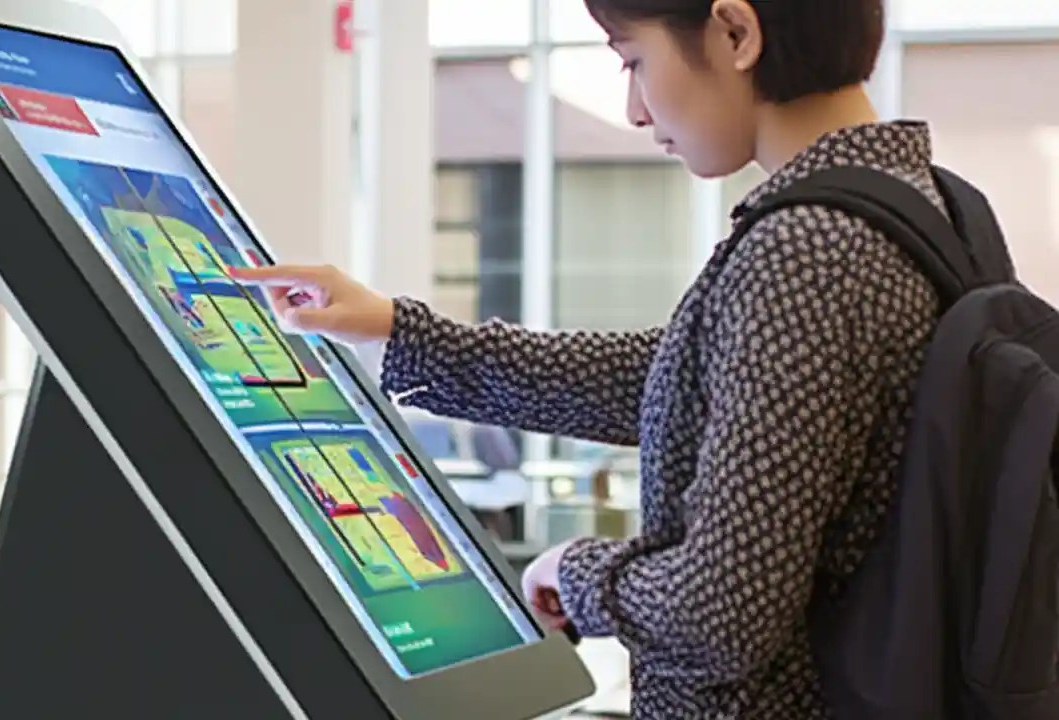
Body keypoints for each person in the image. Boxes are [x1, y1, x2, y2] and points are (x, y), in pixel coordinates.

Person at [233, 0, 941, 716]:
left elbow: (722, 611)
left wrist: (577, 574)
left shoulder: (805, 251)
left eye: (634, 60)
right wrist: (394, 330)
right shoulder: (919, 210)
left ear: (736, 32)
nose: (635, 108)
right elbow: (673, 380)